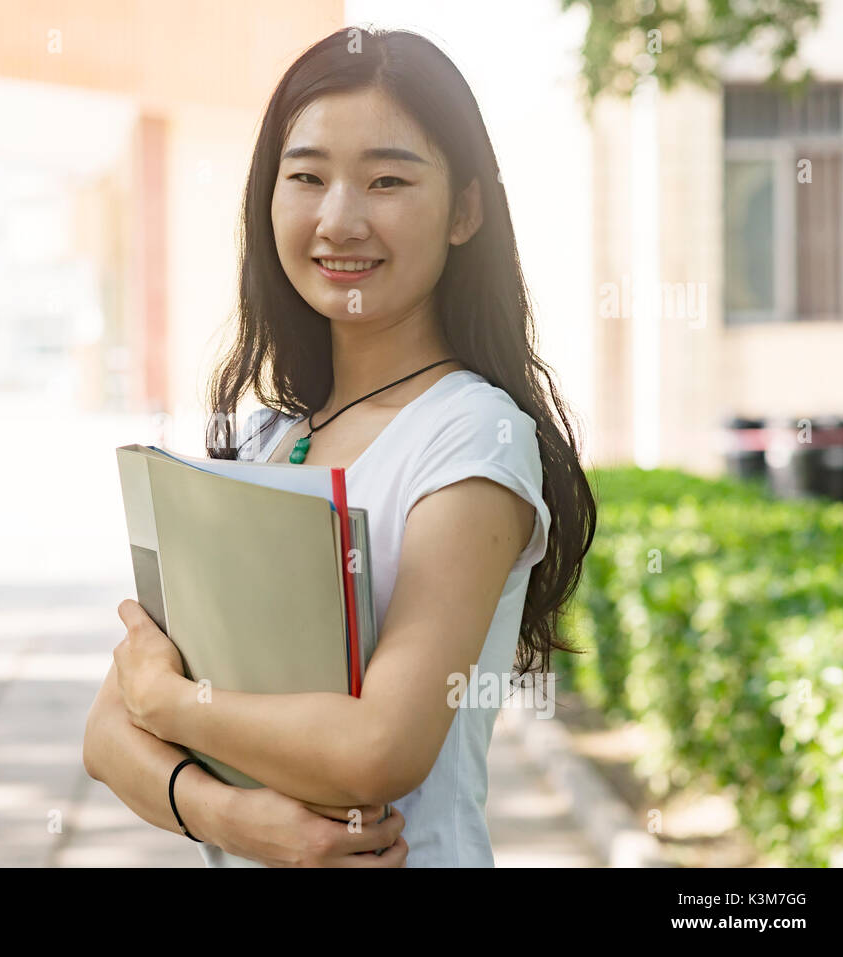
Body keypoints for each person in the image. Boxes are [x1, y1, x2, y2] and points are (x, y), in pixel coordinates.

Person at [83, 25, 596, 867]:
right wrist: (233, 819)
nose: (339, 218)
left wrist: (169, 706)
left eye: (388, 179)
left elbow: (379, 748)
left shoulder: (472, 437)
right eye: (307, 177)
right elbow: (106, 736)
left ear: (466, 208)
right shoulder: (265, 438)